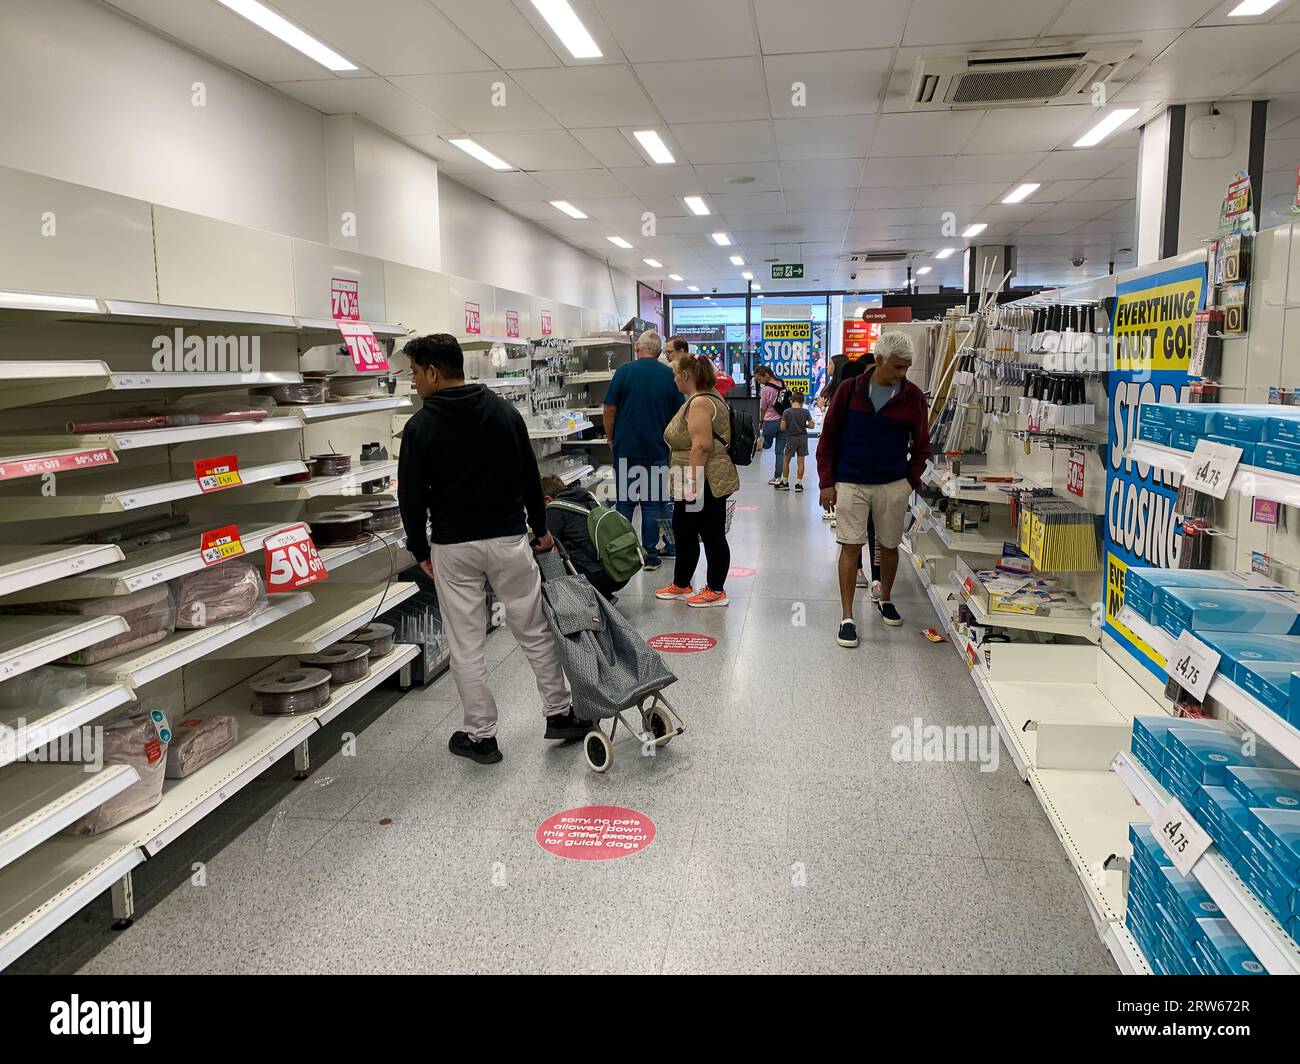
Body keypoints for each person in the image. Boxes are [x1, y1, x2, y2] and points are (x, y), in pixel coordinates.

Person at [397, 333, 588, 765]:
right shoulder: (505, 413)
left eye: (414, 373)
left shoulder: (420, 427)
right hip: (508, 539)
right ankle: (559, 714)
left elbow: (410, 497)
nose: (413, 383)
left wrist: (418, 548)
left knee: (466, 643)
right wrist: (540, 530)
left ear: (432, 372)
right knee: (534, 628)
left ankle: (481, 736)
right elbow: (528, 477)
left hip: (454, 545)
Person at [817, 332, 930, 647]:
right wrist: (826, 482)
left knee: (890, 546)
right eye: (896, 366)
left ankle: (887, 598)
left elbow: (922, 446)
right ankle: (847, 616)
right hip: (851, 481)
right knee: (850, 546)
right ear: (878, 360)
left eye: (906, 367)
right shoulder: (848, 391)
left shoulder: (912, 397)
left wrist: (910, 481)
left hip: (893, 483)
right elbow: (828, 438)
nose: (901, 373)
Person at [654, 353, 740, 608]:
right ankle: (682, 583)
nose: (674, 379)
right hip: (694, 478)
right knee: (684, 531)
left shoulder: (701, 402)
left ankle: (715, 590)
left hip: (704, 479)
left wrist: (692, 482)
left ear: (686, 375)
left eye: (675, 374)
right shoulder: (702, 398)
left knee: (711, 533)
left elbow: (701, 446)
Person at [603, 330, 682, 572]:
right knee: (651, 504)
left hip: (626, 447)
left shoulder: (624, 371)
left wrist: (611, 437)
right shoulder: (669, 375)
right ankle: (650, 556)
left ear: (638, 348)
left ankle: (622, 553)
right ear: (660, 352)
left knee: (625, 503)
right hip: (657, 450)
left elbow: (609, 409)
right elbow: (679, 415)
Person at [541, 474, 626, 602]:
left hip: (600, 577)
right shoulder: (587, 496)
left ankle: (564, 603)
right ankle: (603, 595)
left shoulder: (554, 510)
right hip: (620, 569)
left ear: (547, 500)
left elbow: (544, 544)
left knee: (546, 557)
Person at [775, 391, 813, 492]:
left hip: (791, 438)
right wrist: (803, 425)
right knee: (801, 461)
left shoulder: (787, 412)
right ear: (802, 401)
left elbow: (782, 427)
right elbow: (812, 425)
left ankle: (785, 482)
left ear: (791, 400)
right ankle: (799, 484)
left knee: (786, 460)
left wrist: (790, 425)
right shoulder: (806, 412)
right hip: (803, 439)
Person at [756, 366, 787, 486]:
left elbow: (763, 407)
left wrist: (761, 420)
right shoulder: (781, 383)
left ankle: (759, 443)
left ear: (766, 375)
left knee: (767, 444)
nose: (759, 382)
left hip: (770, 420)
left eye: (759, 379)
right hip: (784, 421)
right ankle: (778, 477)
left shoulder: (766, 390)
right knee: (780, 451)